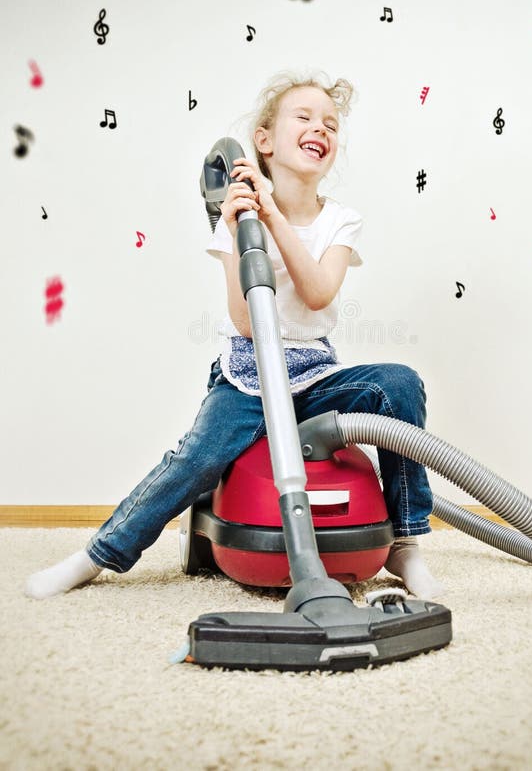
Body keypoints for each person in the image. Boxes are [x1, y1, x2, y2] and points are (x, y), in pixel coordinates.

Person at [25, 71, 444, 601]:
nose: (321, 128)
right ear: (265, 142)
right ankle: (99, 554)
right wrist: (245, 223)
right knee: (198, 459)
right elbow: (247, 322)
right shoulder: (235, 217)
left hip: (316, 375)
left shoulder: (340, 220)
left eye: (331, 124)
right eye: (305, 116)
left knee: (399, 385)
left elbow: (317, 294)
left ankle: (405, 545)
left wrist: (273, 219)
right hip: (247, 377)